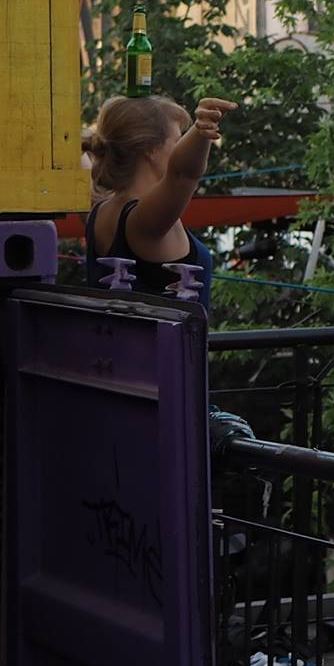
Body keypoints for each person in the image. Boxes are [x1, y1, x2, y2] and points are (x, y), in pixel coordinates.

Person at [82, 93, 255, 451]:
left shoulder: (102, 213)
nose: (182, 144)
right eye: (177, 137)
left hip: (119, 393)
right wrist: (202, 132)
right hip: (166, 404)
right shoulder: (145, 222)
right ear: (150, 150)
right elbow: (183, 172)